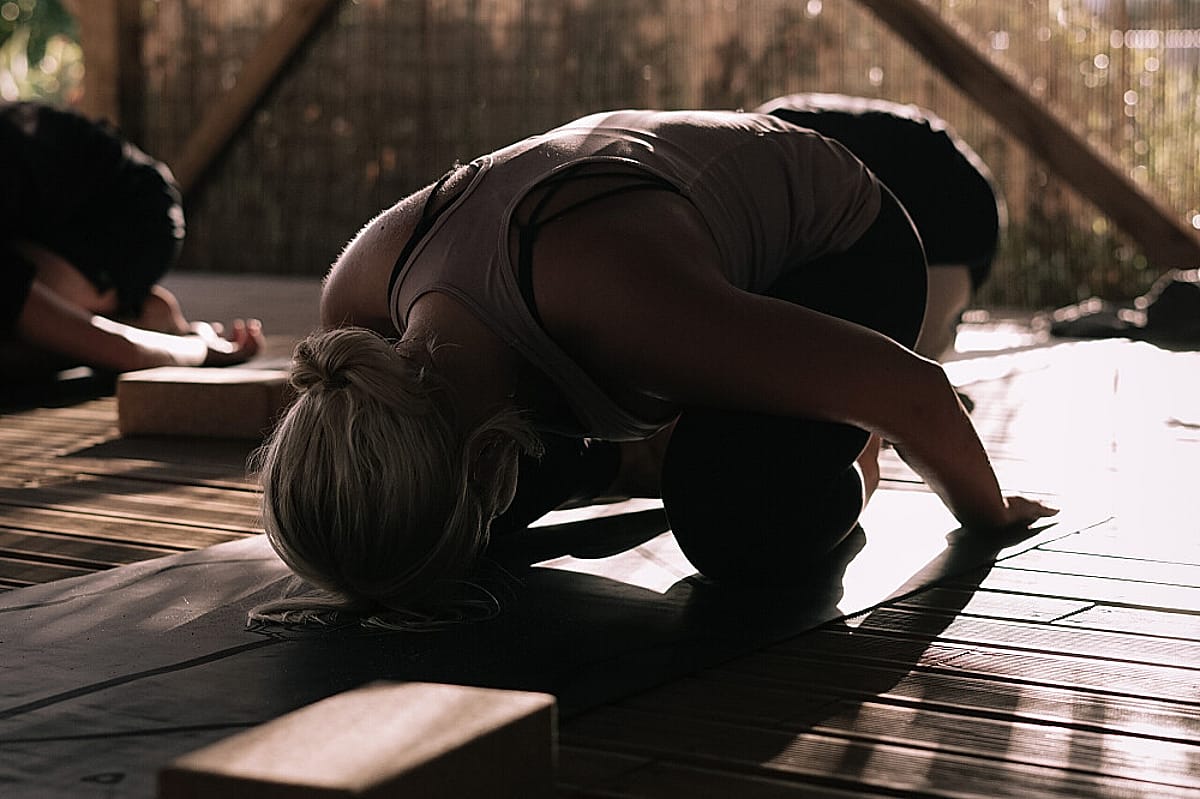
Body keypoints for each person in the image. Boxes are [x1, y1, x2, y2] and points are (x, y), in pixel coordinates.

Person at [254, 102, 1055, 626]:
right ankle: (642, 449)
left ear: (480, 454)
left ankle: (832, 448)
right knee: (454, 541)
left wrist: (988, 516)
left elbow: (913, 390)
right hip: (638, 248)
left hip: (837, 242)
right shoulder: (356, 315)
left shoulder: (626, 311)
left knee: (735, 520)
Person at [1, 101, 263, 380]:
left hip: (138, 214)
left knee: (23, 328)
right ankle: (128, 313)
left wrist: (199, 347)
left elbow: (124, 350)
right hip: (46, 204)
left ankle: (139, 317)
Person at [756, 93, 1005, 360]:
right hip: (954, 202)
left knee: (905, 365)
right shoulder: (760, 146)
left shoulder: (761, 162)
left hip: (956, 213)